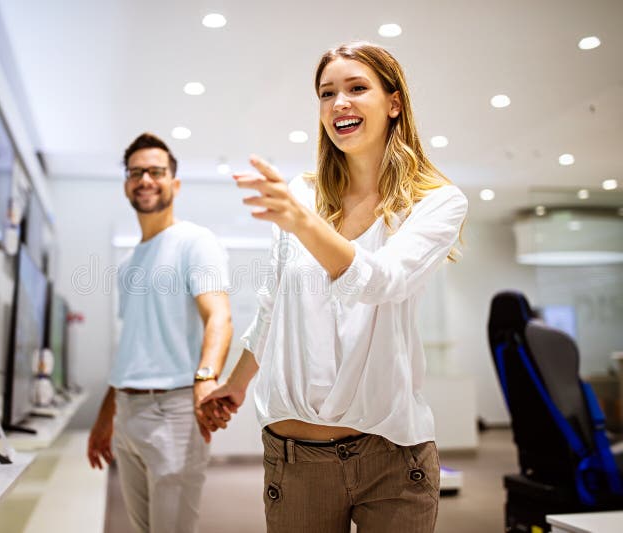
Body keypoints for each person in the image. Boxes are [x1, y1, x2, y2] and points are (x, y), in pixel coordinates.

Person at [200, 41, 468, 532]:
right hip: (296, 459)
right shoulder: (302, 196)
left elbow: (383, 280)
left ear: (394, 102)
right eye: (327, 94)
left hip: (393, 460)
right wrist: (235, 386)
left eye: (356, 88)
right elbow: (272, 309)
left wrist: (304, 223)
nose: (338, 103)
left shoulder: (438, 203)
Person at [86, 133, 233, 533]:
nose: (145, 179)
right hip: (128, 416)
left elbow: (219, 316)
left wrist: (206, 379)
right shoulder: (128, 264)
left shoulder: (195, 242)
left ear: (175, 183)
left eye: (155, 171)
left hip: (175, 413)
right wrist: (106, 416)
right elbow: (132, 346)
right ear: (126, 185)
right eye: (136, 172)